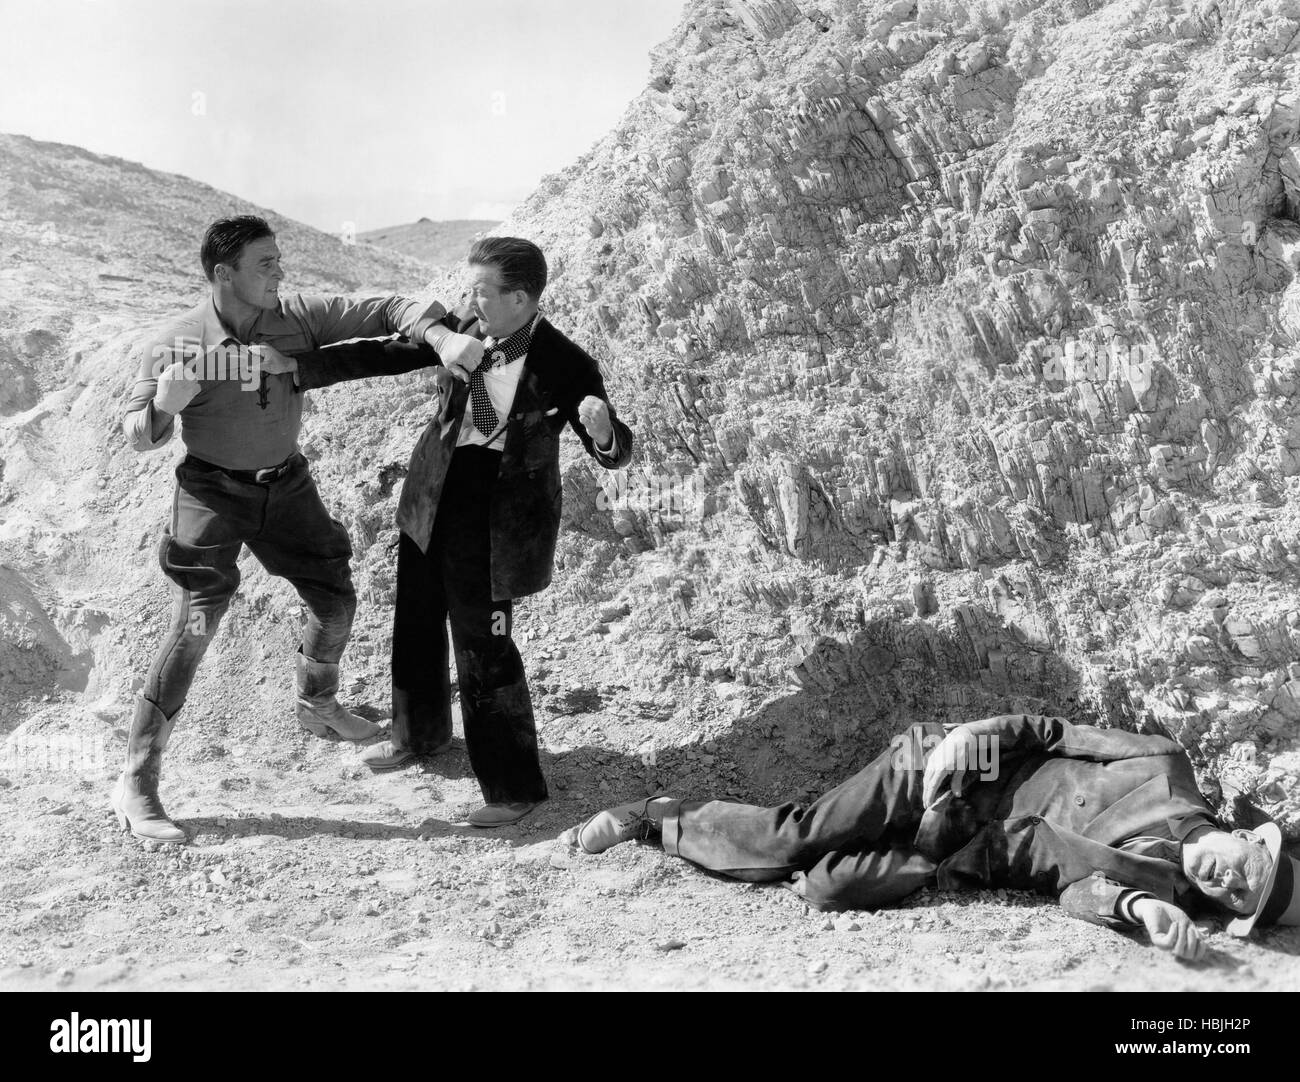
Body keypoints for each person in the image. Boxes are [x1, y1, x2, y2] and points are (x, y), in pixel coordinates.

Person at [115, 214, 485, 845]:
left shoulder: (296, 316)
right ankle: (138, 782)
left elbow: (388, 307)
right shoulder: (175, 343)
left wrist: (440, 335)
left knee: (335, 598)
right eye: (266, 264)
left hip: (286, 487)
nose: (280, 273)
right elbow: (135, 433)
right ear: (222, 273)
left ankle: (316, 703)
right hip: (211, 493)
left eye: (279, 261)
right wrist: (161, 411)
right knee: (194, 627)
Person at [564, 713, 1300, 958]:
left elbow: (1077, 891)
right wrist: (968, 737)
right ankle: (657, 816)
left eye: (1241, 901)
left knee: (827, 889)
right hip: (958, 765)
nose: (1230, 885)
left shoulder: (1168, 892)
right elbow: (1049, 731)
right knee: (796, 841)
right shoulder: (1164, 761)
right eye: (1249, 873)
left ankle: (747, 841)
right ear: (1250, 839)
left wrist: (1139, 913)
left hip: (956, 849)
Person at [360, 237, 634, 829]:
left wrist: (606, 431)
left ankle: (515, 788)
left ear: (519, 298)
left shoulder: (567, 363)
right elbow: (384, 353)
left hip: (498, 514)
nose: (470, 299)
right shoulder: (464, 326)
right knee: (415, 618)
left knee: (485, 645)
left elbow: (609, 451)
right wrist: (298, 369)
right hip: (432, 491)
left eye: (482, 291)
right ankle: (420, 736)